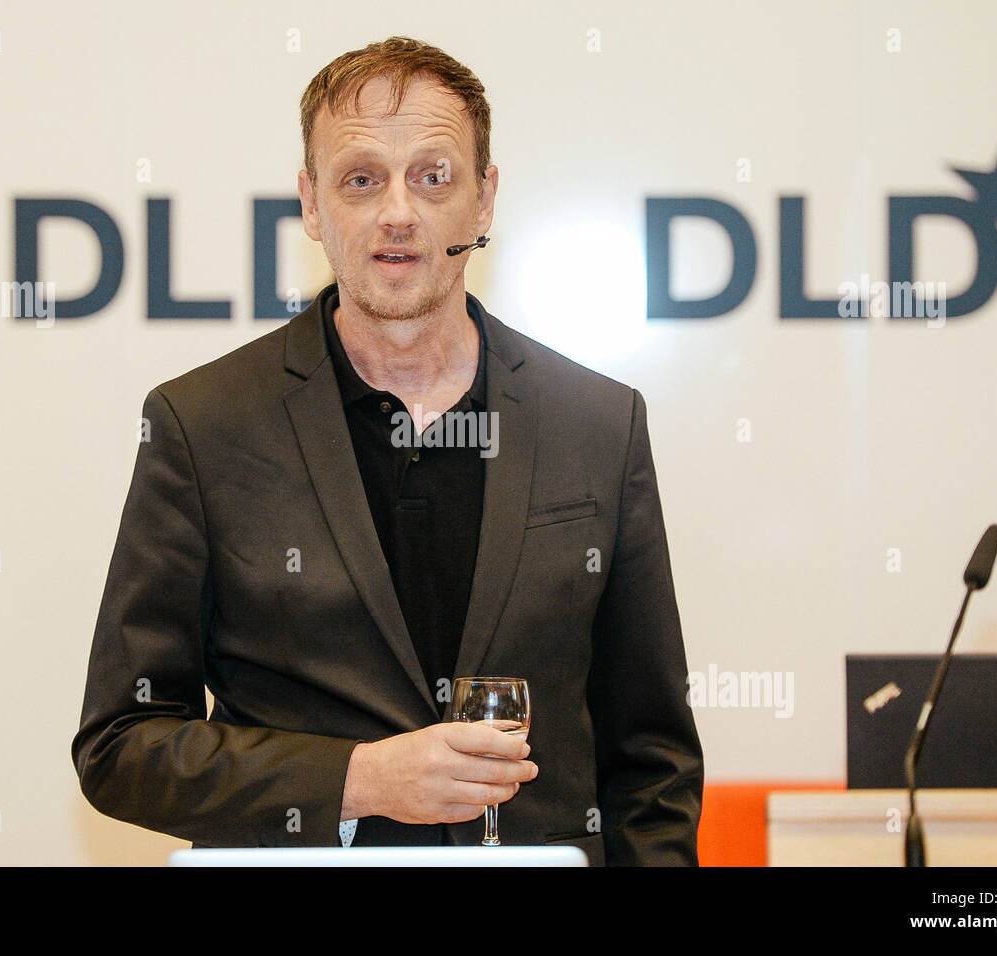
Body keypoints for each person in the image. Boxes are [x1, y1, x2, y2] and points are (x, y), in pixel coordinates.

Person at [71, 36, 702, 866]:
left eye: (434, 175)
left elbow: (651, 761)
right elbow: (121, 748)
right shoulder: (203, 426)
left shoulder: (598, 422)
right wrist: (356, 779)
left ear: (484, 202)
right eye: (361, 178)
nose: (398, 211)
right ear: (310, 202)